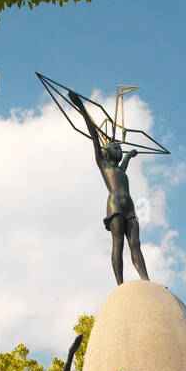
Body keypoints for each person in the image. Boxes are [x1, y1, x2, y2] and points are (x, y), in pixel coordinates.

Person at [68, 89, 150, 285]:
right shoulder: (103, 164)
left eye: (120, 148)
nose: (119, 150)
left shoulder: (120, 170)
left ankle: (146, 280)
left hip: (129, 207)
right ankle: (120, 284)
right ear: (106, 151)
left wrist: (130, 155)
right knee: (118, 244)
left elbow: (124, 165)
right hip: (115, 207)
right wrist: (81, 108)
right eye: (116, 147)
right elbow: (94, 136)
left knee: (135, 243)